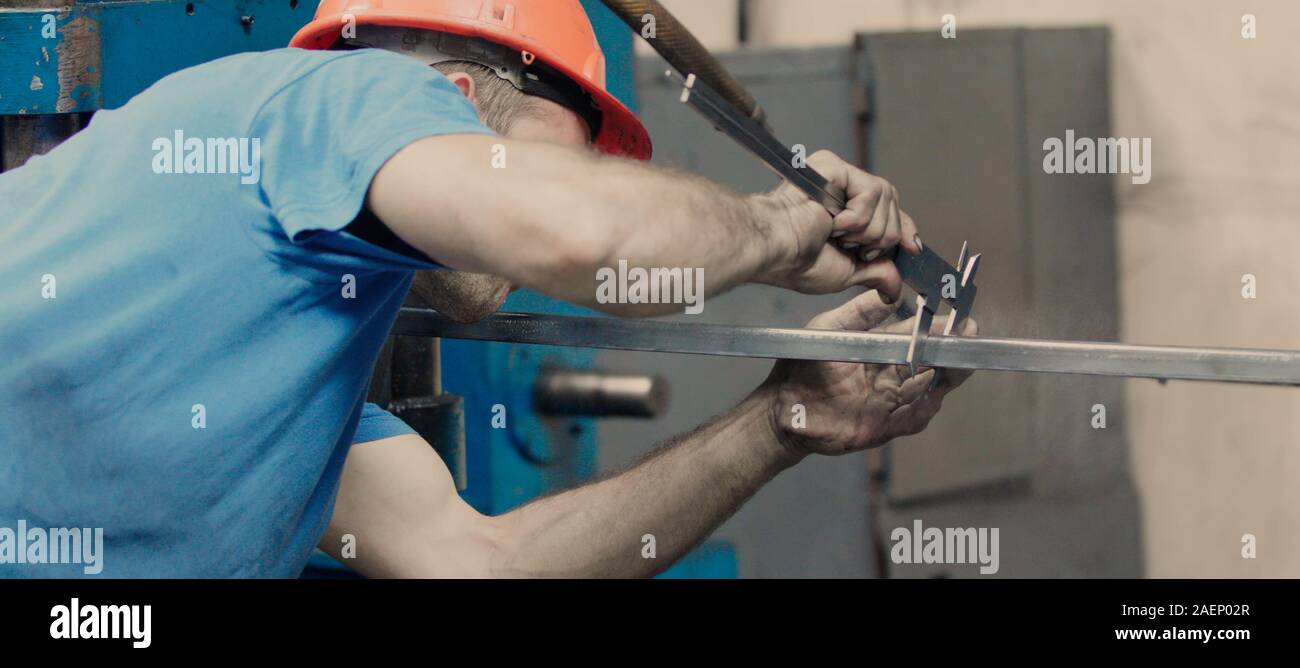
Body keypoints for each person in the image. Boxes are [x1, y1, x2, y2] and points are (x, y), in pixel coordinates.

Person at [0, 0, 973, 577]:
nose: (589, 178)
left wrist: (782, 419)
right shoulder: (342, 97)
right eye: (578, 152)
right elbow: (578, 230)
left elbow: (477, 562)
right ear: (459, 102)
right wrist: (779, 227)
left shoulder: (286, 368)